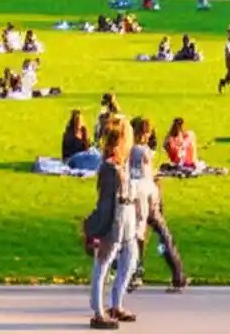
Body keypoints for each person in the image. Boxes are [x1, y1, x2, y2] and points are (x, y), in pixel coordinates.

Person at [83, 116, 139, 329]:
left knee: (130, 258)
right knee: (103, 263)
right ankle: (98, 311)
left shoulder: (120, 164)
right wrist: (102, 229)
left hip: (127, 218)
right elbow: (106, 203)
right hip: (115, 219)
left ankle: (116, 303)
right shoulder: (109, 168)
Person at [128, 118, 187, 294]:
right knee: (162, 235)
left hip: (139, 195)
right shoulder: (144, 151)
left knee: (137, 235)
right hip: (152, 195)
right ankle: (177, 273)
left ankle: (136, 272)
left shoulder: (132, 151)